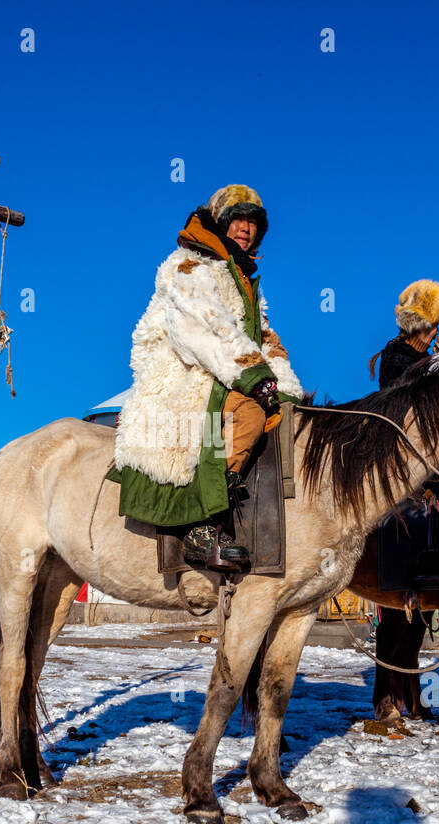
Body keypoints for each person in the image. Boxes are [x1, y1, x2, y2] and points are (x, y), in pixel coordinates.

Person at [110, 185, 305, 572]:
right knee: (247, 415)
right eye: (238, 220)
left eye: (253, 224)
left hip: (226, 369)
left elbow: (265, 339)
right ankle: (201, 528)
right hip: (186, 370)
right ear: (221, 223)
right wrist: (252, 376)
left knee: (285, 417)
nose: (246, 229)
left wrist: (282, 384)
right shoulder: (190, 265)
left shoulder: (245, 280)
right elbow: (203, 327)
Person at [369, 280, 439, 602]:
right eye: (433, 326)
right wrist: (438, 367)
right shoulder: (396, 355)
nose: (436, 332)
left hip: (435, 446)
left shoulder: (432, 353)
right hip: (406, 445)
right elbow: (400, 400)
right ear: (419, 325)